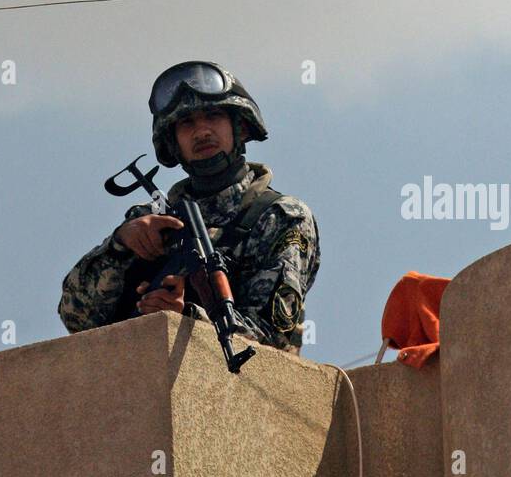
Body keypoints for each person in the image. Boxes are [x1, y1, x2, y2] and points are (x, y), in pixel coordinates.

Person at [58, 61, 320, 355]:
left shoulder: (279, 217)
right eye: (187, 124)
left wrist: (188, 319)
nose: (201, 131)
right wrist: (120, 245)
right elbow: (77, 318)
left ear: (241, 126)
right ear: (173, 143)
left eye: (213, 116)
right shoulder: (151, 221)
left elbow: (274, 340)